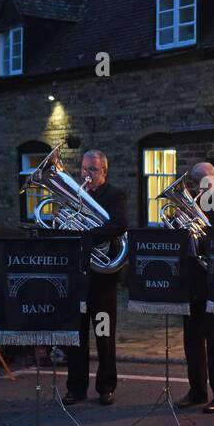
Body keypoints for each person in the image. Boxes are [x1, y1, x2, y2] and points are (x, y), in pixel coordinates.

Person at [65, 150, 129, 406]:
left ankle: (106, 387)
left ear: (104, 171)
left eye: (92, 170)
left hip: (103, 279)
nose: (86, 174)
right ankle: (76, 388)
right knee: (76, 335)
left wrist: (87, 237)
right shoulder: (74, 195)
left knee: (104, 335)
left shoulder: (114, 195)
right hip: (79, 277)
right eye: (83, 169)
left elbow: (120, 224)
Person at [175, 161, 214, 414]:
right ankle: (197, 389)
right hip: (193, 280)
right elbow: (180, 234)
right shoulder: (191, 202)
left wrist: (201, 236)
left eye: (205, 179)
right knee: (192, 338)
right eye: (196, 181)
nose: (201, 185)